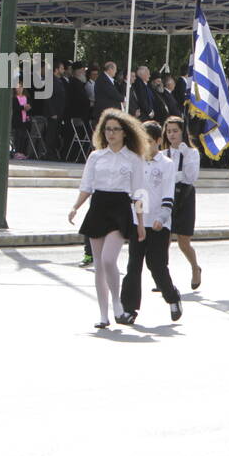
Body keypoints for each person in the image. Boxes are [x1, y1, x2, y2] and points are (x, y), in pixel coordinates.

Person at [69, 108, 150, 329]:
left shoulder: (134, 159)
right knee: (99, 265)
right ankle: (103, 315)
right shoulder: (96, 156)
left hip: (120, 209)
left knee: (108, 259)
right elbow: (86, 186)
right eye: (107, 129)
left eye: (115, 129)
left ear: (125, 132)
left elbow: (139, 192)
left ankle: (117, 304)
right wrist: (76, 207)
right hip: (98, 207)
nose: (111, 133)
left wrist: (140, 223)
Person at [118, 122, 182, 324]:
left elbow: (167, 193)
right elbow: (135, 193)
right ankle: (128, 309)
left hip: (159, 222)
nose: (144, 146)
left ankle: (172, 296)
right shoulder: (135, 162)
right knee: (133, 265)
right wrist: (137, 219)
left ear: (158, 141)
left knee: (157, 265)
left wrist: (162, 217)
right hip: (139, 222)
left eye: (149, 142)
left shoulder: (167, 164)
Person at [162, 116, 202, 290]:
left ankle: (195, 267)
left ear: (182, 132)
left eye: (175, 131)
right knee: (163, 239)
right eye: (169, 131)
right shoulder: (163, 154)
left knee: (183, 241)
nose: (172, 135)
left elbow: (191, 176)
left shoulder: (191, 152)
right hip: (167, 195)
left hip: (184, 196)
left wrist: (185, 153)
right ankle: (162, 276)